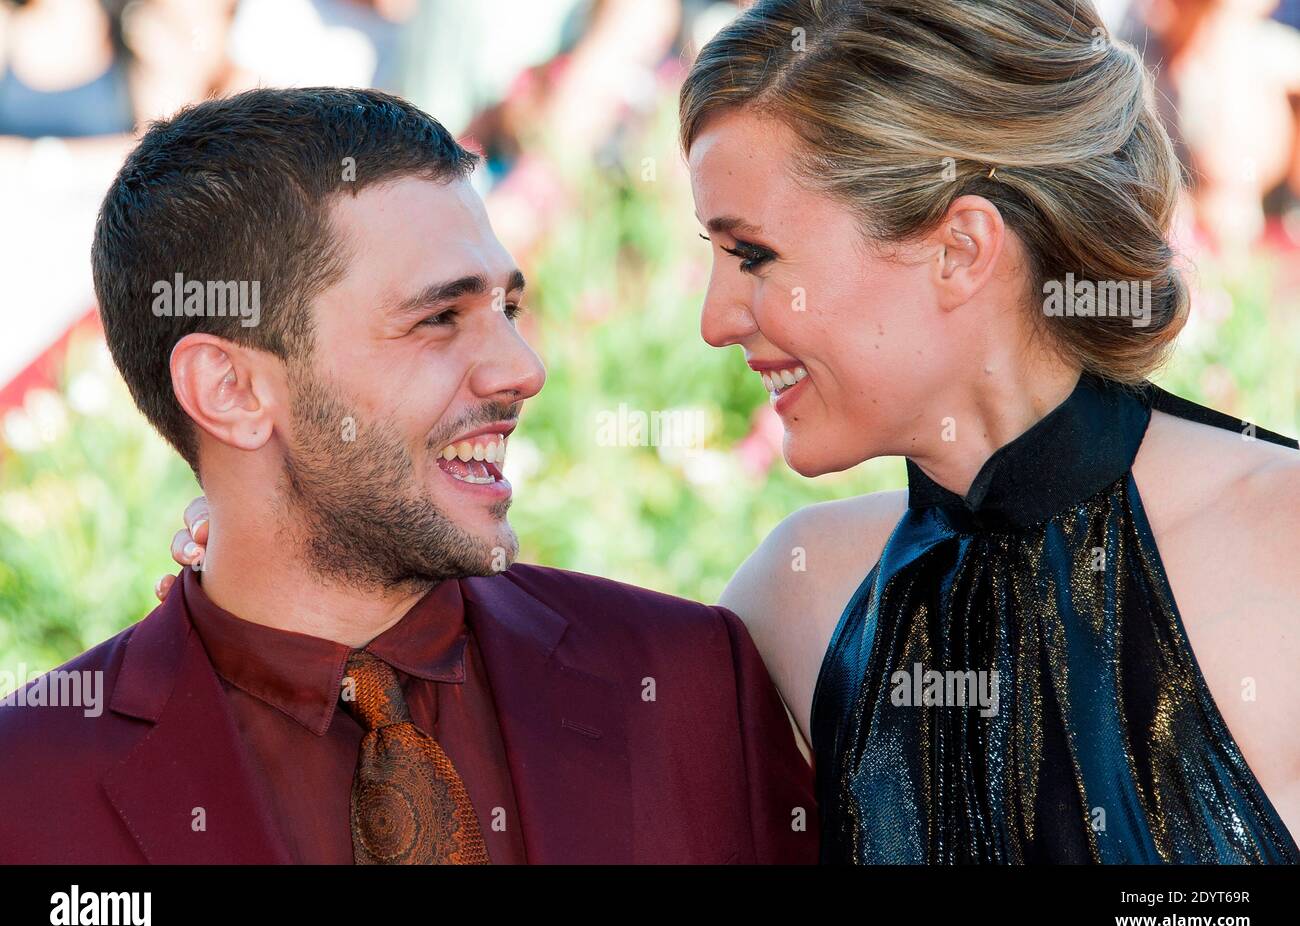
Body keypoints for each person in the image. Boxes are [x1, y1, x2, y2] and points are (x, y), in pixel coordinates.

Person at [0, 87, 816, 865]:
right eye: (438, 318)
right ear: (231, 389)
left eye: (507, 309)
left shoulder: (685, 678)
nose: (522, 370)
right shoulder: (27, 790)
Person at [677, 0, 1300, 862]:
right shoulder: (796, 599)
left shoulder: (1282, 543)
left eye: (754, 255)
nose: (714, 322)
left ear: (961, 250)